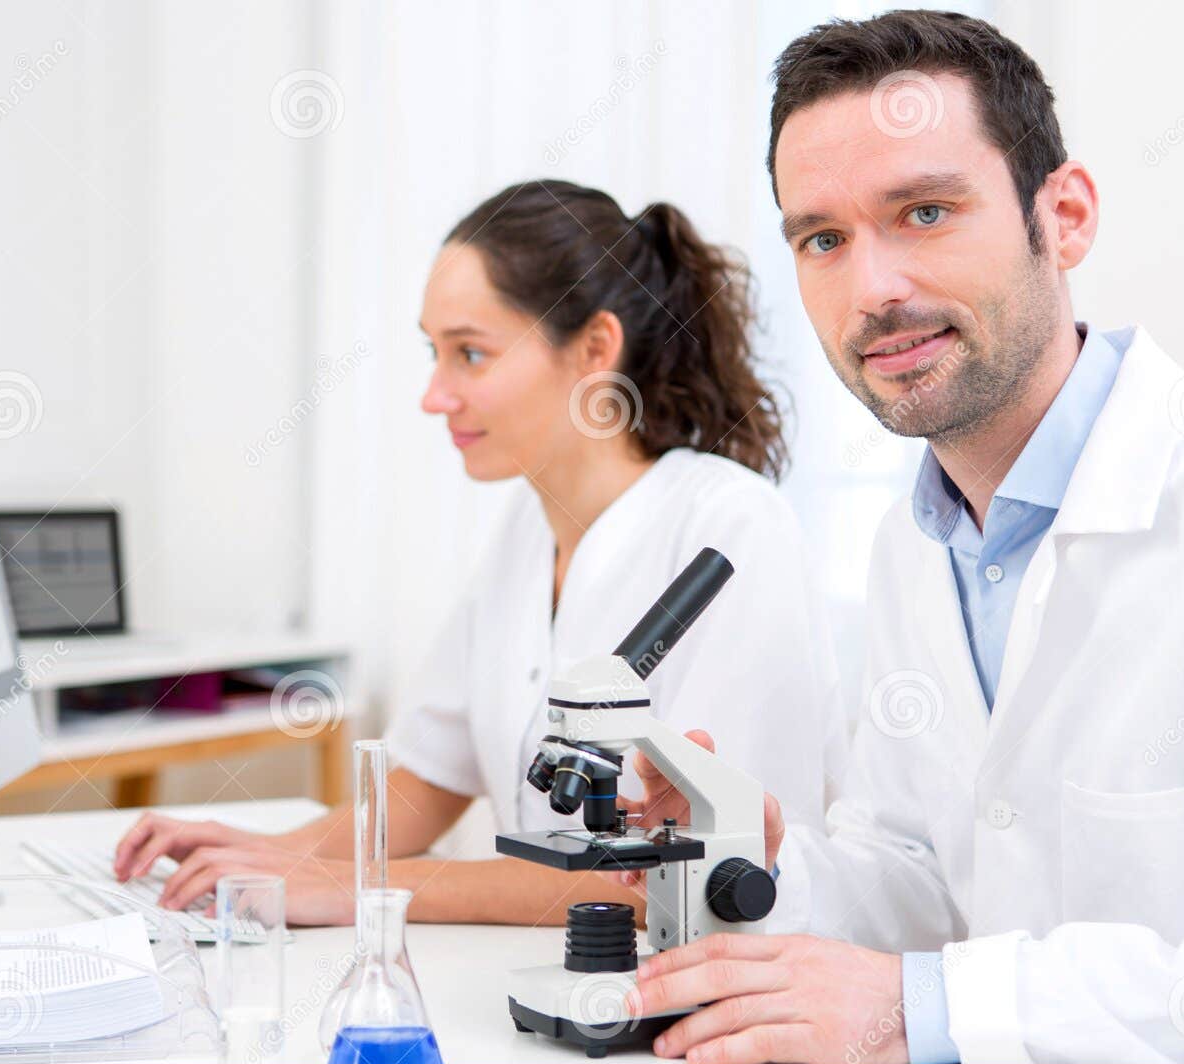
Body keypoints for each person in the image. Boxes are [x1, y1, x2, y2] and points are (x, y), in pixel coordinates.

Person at [620, 9, 1184, 1064]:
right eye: (822, 238)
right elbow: (926, 877)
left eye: (923, 211)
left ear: (1064, 215)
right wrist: (757, 852)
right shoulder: (913, 541)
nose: (871, 290)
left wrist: (922, 1009)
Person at [116, 180, 844, 926]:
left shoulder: (728, 527)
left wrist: (356, 891)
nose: (436, 395)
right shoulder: (526, 533)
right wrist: (263, 856)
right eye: (434, 353)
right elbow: (426, 782)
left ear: (595, 348)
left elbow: (692, 868)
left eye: (470, 353)